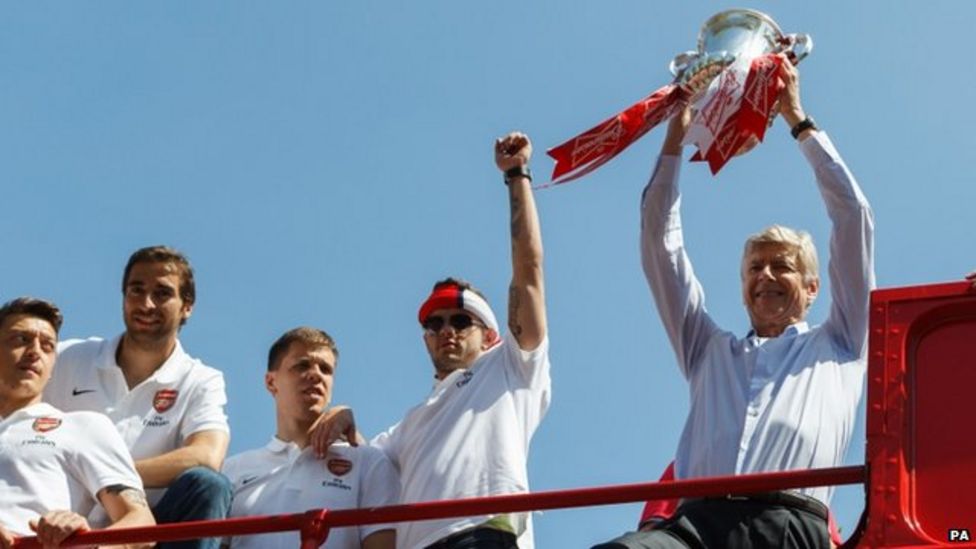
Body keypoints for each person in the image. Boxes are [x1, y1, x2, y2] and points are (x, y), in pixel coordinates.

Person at [596, 56, 874, 548]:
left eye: (781, 266)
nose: (765, 276)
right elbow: (659, 245)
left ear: (813, 288)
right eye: (754, 268)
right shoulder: (708, 349)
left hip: (789, 526)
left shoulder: (841, 342)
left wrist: (797, 120)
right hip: (695, 526)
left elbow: (852, 217)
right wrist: (678, 130)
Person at [314, 132, 550, 549]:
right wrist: (344, 415)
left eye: (461, 321)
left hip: (485, 533)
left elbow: (528, 271)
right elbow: (367, 463)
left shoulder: (509, 369)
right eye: (434, 324)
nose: (446, 330)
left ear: (490, 336)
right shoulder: (408, 425)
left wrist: (517, 175)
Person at [43, 246, 232, 549]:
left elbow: (206, 456)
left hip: (146, 536)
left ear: (187, 306)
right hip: (58, 531)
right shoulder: (69, 357)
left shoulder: (199, 379)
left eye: (162, 293)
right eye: (136, 290)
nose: (146, 304)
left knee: (208, 485)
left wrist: (107, 479)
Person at [221, 327, 398, 549]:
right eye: (302, 365)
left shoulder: (369, 463)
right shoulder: (232, 470)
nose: (316, 374)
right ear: (271, 382)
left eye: (326, 369)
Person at [0, 297, 155, 549]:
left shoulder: (81, 427)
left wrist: (91, 546)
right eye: (21, 339)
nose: (35, 352)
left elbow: (141, 524)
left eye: (47, 346)